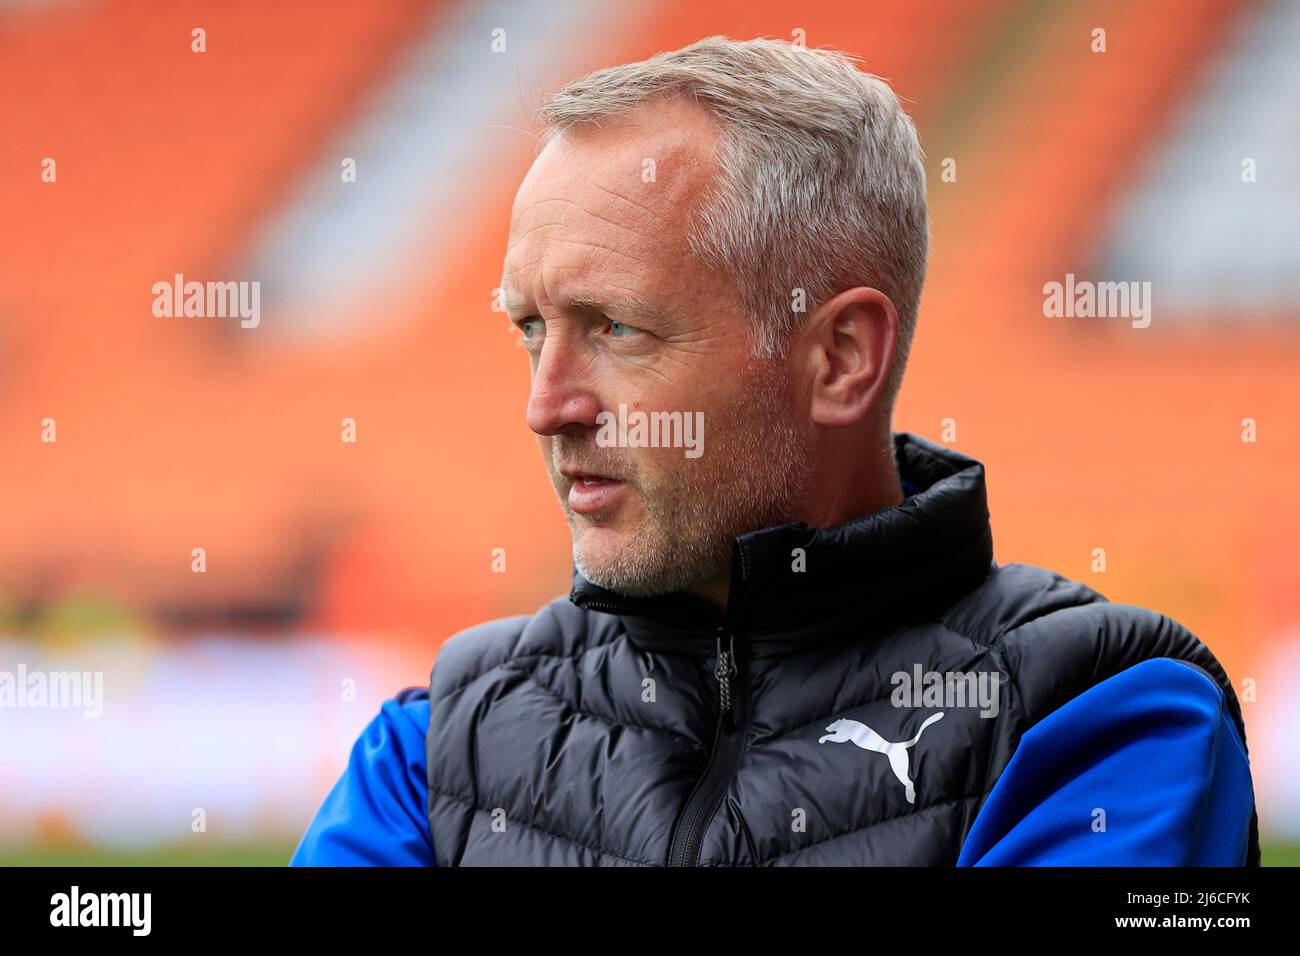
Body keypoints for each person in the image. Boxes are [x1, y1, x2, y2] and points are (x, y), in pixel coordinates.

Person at [292, 36, 1256, 866]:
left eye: (617, 329)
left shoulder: (1108, 716)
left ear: (838, 358)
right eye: (533, 329)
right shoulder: (433, 751)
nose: (548, 407)